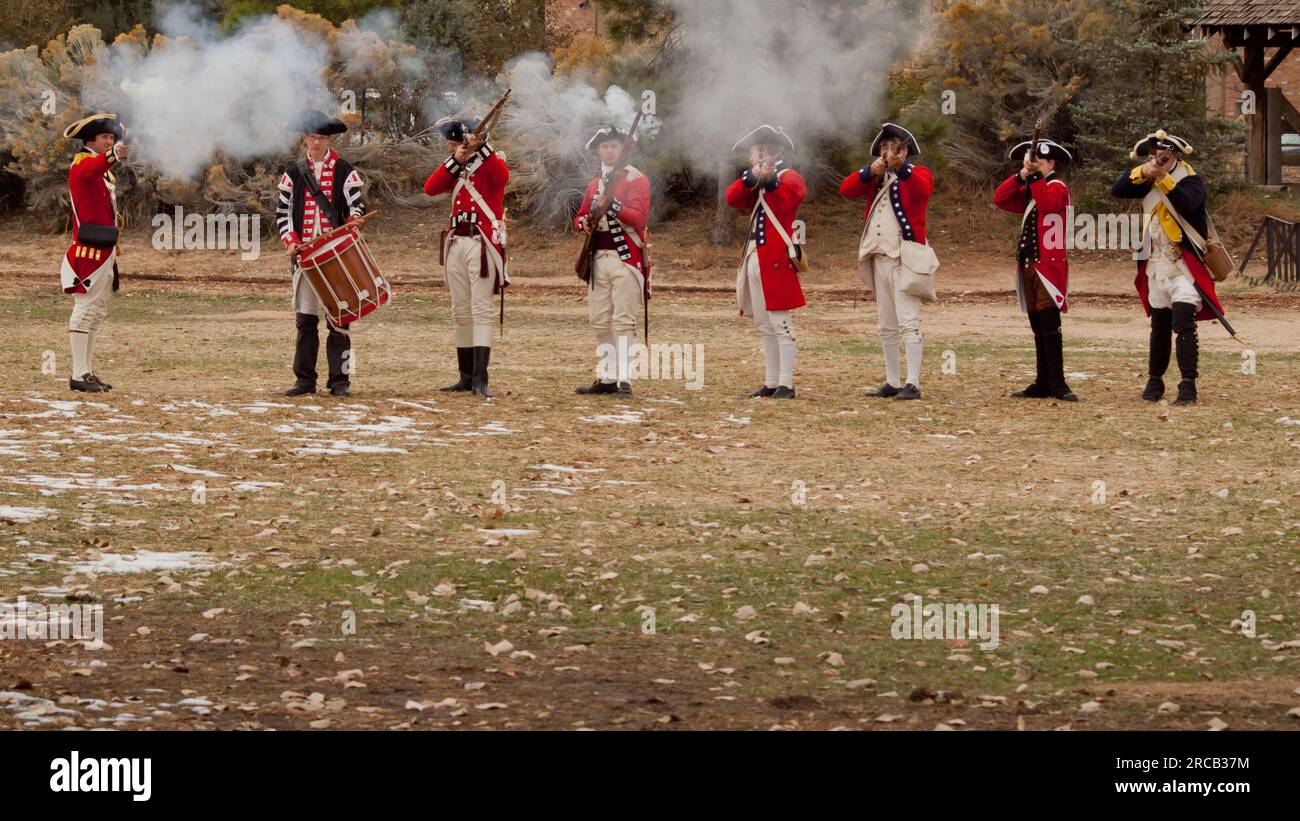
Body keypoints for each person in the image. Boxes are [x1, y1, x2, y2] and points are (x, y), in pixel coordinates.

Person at [1110, 129, 1225, 406]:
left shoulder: (1192, 181)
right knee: (1159, 326)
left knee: (1184, 325)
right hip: (1156, 264)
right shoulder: (1150, 178)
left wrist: (1164, 179)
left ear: (1173, 154)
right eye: (1154, 154)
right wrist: (1144, 172)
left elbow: (1186, 204)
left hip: (1184, 265)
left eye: (1163, 154)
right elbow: (1118, 189)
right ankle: (1155, 380)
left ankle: (1188, 385)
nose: (1158, 158)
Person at [839, 123, 934, 400]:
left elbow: (922, 190)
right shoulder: (876, 178)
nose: (887, 152)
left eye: (894, 147)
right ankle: (892, 381)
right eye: (884, 148)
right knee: (886, 325)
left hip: (904, 258)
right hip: (878, 257)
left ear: (905, 151)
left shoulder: (917, 173)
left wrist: (901, 167)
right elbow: (846, 189)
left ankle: (913, 382)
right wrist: (870, 171)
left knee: (908, 321)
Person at [275, 109, 366, 398]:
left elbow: (357, 207)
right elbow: (283, 213)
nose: (316, 143)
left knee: (341, 321)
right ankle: (304, 380)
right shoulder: (293, 174)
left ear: (329, 139)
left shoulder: (345, 171)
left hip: (336, 255)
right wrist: (291, 240)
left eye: (322, 138)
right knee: (305, 321)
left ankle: (341, 381)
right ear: (305, 139)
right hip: (305, 257)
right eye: (312, 137)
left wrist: (354, 221)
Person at [424, 116, 509, 399]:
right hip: (457, 242)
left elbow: (502, 178)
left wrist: (480, 147)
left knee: (481, 309)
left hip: (481, 242)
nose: (451, 149)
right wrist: (456, 160)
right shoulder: (456, 165)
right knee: (461, 311)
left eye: (454, 145)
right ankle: (465, 376)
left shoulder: (491, 160)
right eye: (450, 146)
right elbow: (431, 187)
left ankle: (481, 378)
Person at [725, 125, 806, 399]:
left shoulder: (790, 177)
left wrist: (769, 180)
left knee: (781, 324)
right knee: (764, 324)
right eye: (753, 153)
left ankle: (786, 384)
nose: (753, 157)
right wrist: (751, 178)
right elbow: (732, 198)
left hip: (775, 259)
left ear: (774, 152)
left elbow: (785, 202)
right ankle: (771, 383)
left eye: (758, 151)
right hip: (754, 257)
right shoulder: (755, 179)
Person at [993, 137, 1078, 401]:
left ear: (1050, 163)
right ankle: (1043, 382)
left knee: (1050, 325)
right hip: (1028, 265)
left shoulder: (1057, 187)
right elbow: (1001, 198)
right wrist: (1022, 175)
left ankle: (1059, 383)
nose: (1033, 166)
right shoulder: (1032, 187)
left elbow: (1049, 206)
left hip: (1048, 266)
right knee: (1037, 325)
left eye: (1038, 161)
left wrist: (1035, 177)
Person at [574, 125, 651, 397]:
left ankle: (625, 379)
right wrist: (582, 222)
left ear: (623, 149)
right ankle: (606, 376)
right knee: (600, 320)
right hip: (598, 259)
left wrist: (613, 206)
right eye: (604, 146)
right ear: (598, 150)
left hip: (625, 259)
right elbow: (581, 214)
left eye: (614, 146)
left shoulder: (636, 179)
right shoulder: (596, 183)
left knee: (623, 320)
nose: (609, 150)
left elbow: (639, 218)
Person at [61, 113, 128, 393]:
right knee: (85, 309)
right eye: (105, 138)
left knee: (96, 312)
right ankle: (78, 374)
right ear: (91, 140)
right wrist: (114, 154)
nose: (109, 142)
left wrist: (112, 155)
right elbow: (92, 169)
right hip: (89, 252)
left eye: (112, 138)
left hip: (103, 249)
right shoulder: (83, 163)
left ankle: (86, 372)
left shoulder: (102, 169)